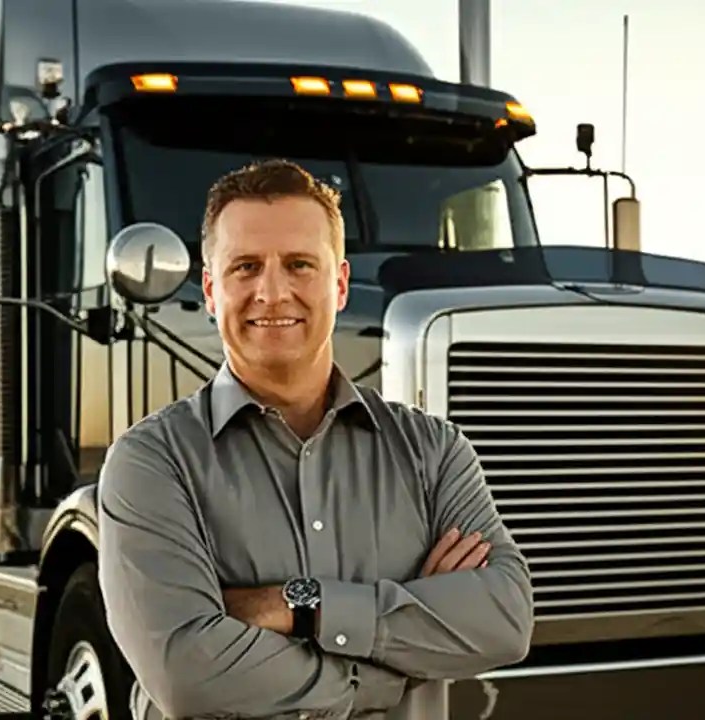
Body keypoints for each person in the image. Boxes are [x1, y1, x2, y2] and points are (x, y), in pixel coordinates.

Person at [97, 158, 534, 719]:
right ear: (210, 290)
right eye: (246, 267)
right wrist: (396, 651)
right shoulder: (152, 463)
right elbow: (188, 674)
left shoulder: (434, 451)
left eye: (300, 265)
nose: (272, 292)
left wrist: (297, 607)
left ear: (341, 284)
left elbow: (504, 622)